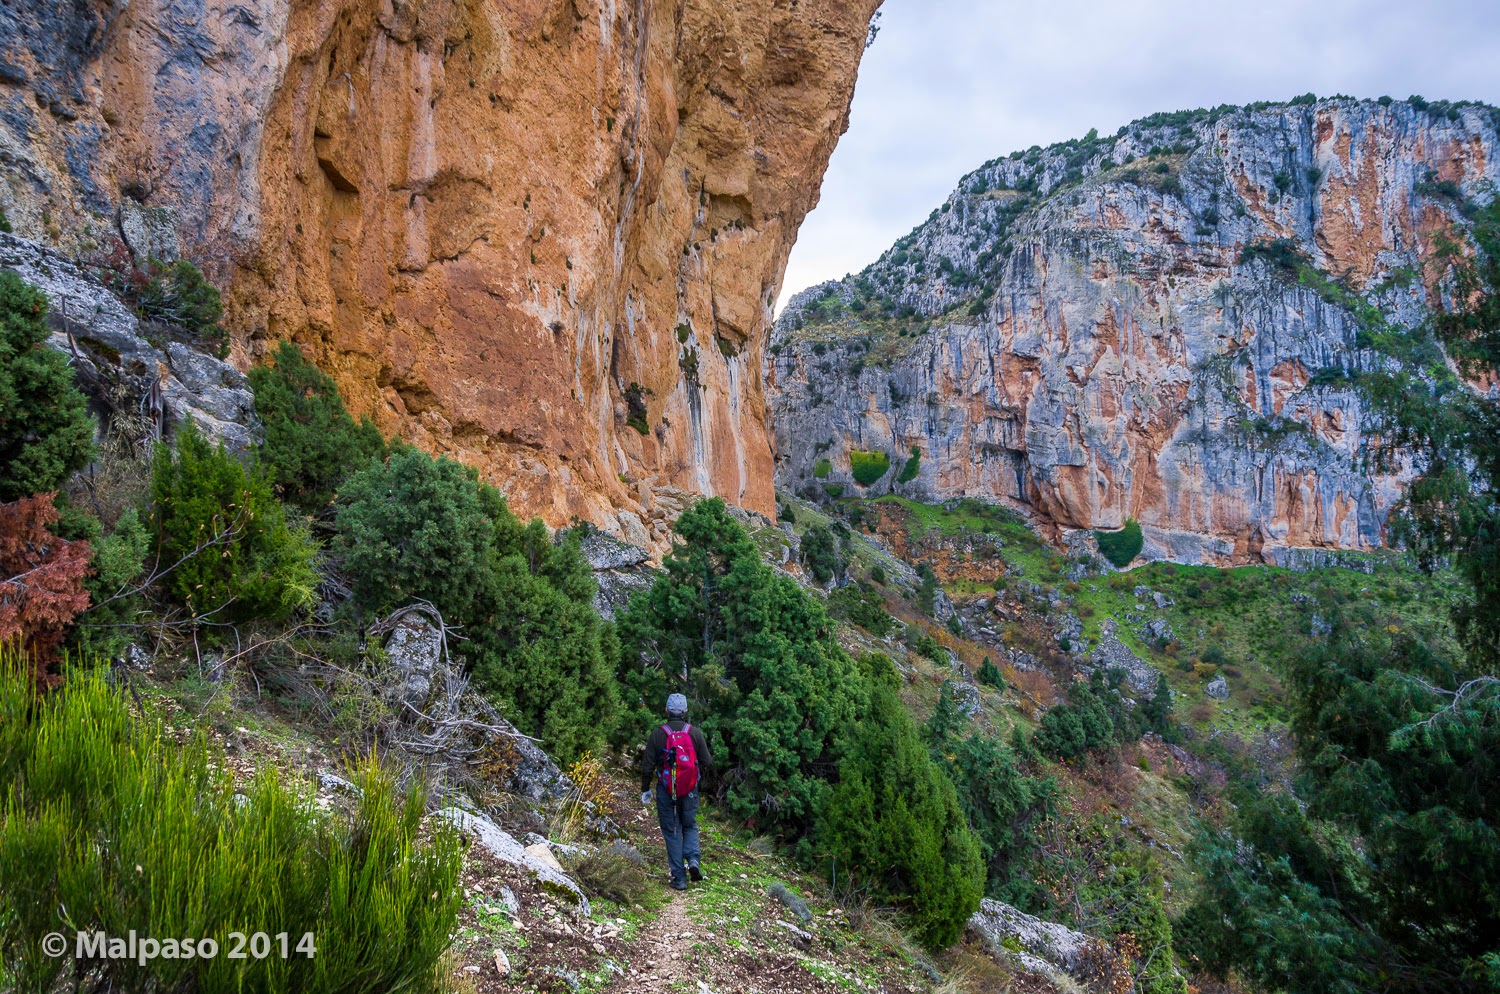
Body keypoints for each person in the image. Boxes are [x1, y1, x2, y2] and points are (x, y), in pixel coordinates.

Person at [640, 693, 713, 890]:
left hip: (666, 790)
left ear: (666, 710)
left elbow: (647, 767)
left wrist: (645, 789)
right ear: (685, 711)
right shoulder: (694, 733)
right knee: (689, 825)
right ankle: (694, 860)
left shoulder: (658, 734)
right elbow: (707, 762)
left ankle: (679, 878)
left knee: (672, 831)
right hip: (689, 789)